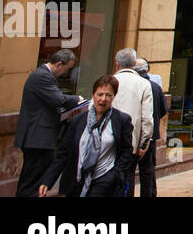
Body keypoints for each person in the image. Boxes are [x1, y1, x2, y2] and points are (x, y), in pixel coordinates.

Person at [38, 75, 133, 197]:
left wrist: (116, 175)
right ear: (93, 95)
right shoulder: (77, 121)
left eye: (108, 95)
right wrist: (47, 180)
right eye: (100, 94)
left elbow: (127, 151)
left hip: (105, 180)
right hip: (76, 182)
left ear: (114, 96)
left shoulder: (121, 120)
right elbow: (64, 153)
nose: (103, 99)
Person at [15, 49, 83, 197]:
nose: (66, 72)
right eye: (67, 68)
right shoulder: (41, 76)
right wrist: (77, 100)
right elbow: (58, 99)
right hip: (37, 137)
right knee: (32, 179)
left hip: (40, 137)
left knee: (35, 178)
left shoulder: (45, 76)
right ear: (59, 64)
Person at [112, 48, 154, 196]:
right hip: (132, 142)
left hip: (107, 140)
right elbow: (147, 119)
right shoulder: (143, 84)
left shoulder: (108, 81)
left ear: (117, 64)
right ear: (134, 63)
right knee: (127, 178)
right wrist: (144, 143)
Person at [134, 58, 166, 197]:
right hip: (151, 135)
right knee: (148, 171)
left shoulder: (135, 85)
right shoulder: (155, 86)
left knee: (128, 170)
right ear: (147, 70)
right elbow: (164, 109)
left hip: (133, 134)